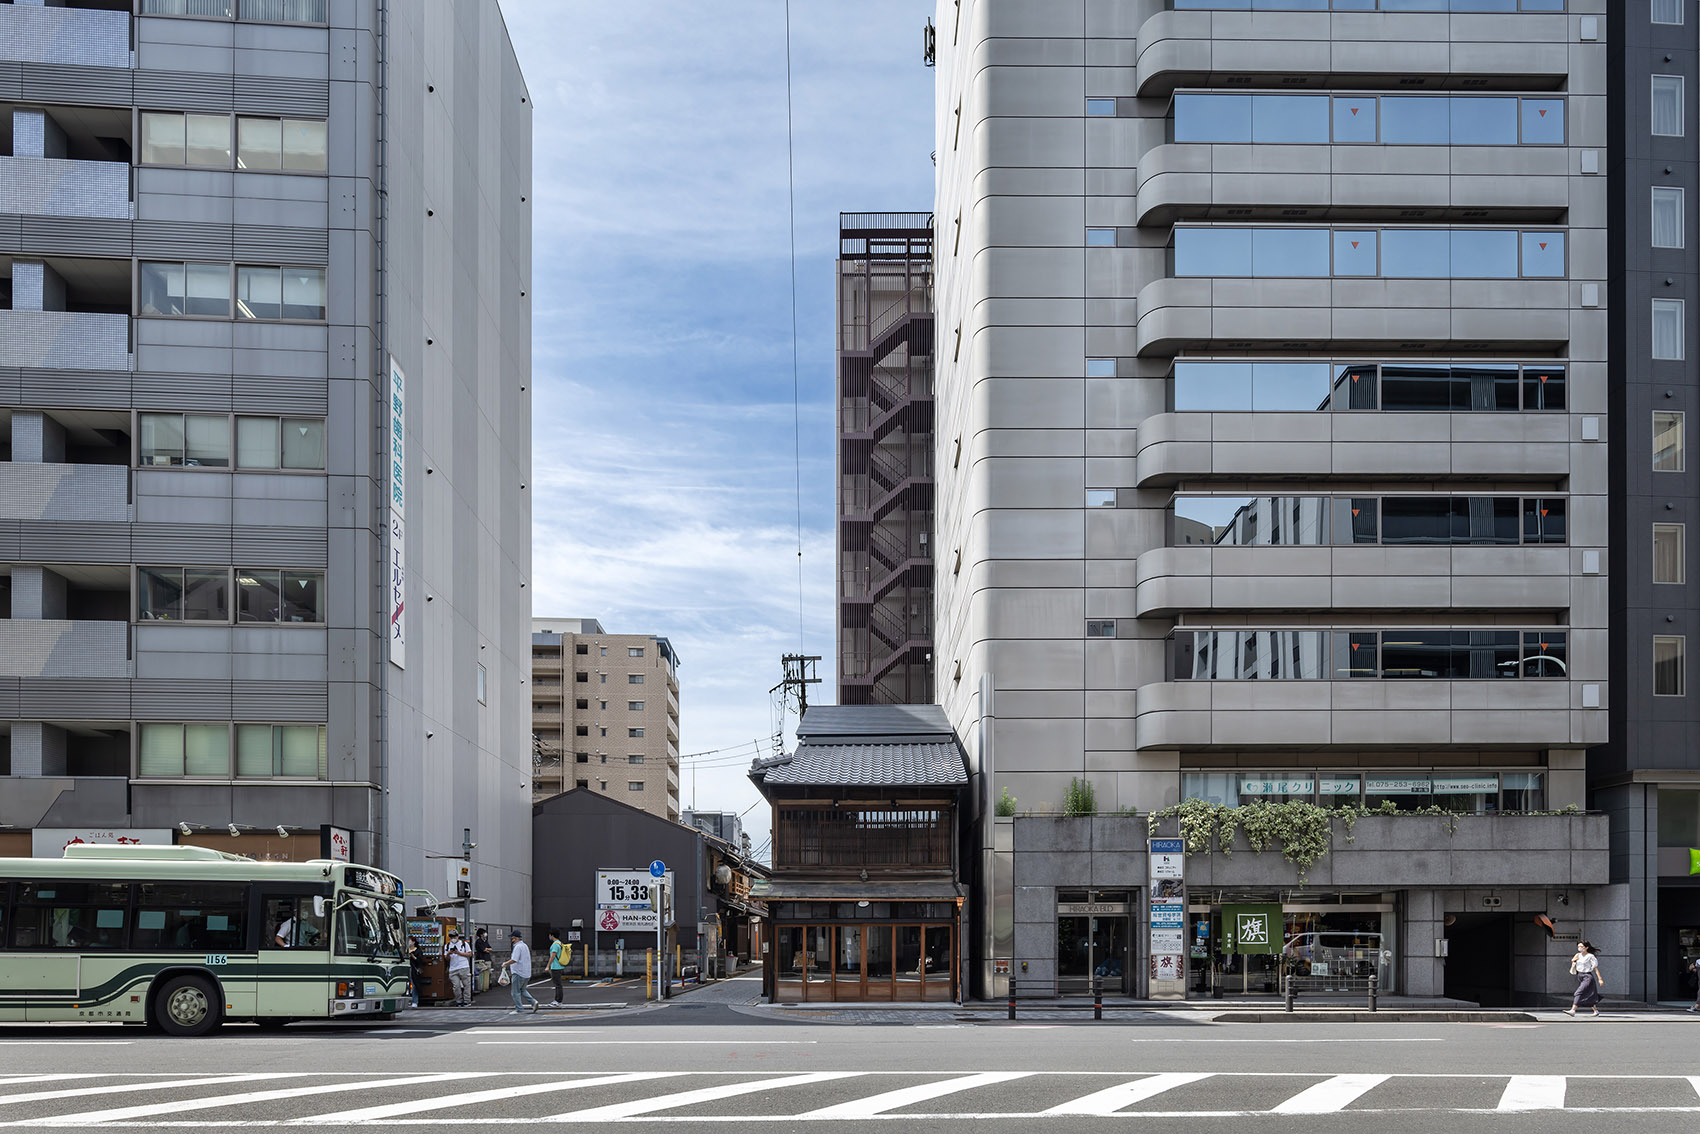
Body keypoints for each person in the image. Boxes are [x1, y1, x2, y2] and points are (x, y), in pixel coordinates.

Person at [503, 929, 540, 1013]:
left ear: (515, 938)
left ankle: (519, 1009)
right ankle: (533, 1002)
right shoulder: (524, 946)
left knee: (515, 992)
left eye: (512, 938)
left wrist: (505, 963)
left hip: (518, 972)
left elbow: (514, 959)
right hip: (526, 973)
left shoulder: (518, 947)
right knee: (522, 990)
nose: (512, 940)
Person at [1565, 939, 1603, 1017]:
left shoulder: (1590, 956)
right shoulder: (1577, 955)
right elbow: (1573, 961)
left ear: (1586, 947)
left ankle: (1573, 1010)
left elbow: (1595, 968)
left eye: (1581, 946)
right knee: (1588, 994)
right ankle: (1596, 1011)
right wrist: (1573, 960)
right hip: (1580, 976)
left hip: (1587, 977)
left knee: (1578, 992)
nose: (1579, 948)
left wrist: (1600, 979)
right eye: (1578, 946)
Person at [446, 929, 473, 1007]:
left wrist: (459, 953)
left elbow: (470, 954)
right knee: (456, 986)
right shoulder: (447, 945)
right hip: (453, 968)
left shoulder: (464, 944)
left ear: (458, 936)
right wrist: (449, 953)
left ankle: (467, 1001)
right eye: (451, 936)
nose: (453, 938)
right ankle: (459, 1000)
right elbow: (446, 958)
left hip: (464, 966)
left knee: (466, 985)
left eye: (454, 936)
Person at [547, 930, 571, 1007]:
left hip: (555, 967)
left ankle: (558, 1001)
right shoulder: (560, 943)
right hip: (559, 966)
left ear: (552, 935)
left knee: (558, 985)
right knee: (558, 984)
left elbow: (553, 956)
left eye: (550, 935)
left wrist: (548, 966)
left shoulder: (555, 945)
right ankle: (558, 1000)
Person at [406, 937, 423, 1008]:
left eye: (410, 941)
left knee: (414, 985)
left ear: (413, 942)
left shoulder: (418, 950)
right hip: (406, 969)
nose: (409, 942)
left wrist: (413, 956)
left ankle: (415, 1001)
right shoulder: (405, 950)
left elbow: (420, 961)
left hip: (414, 970)